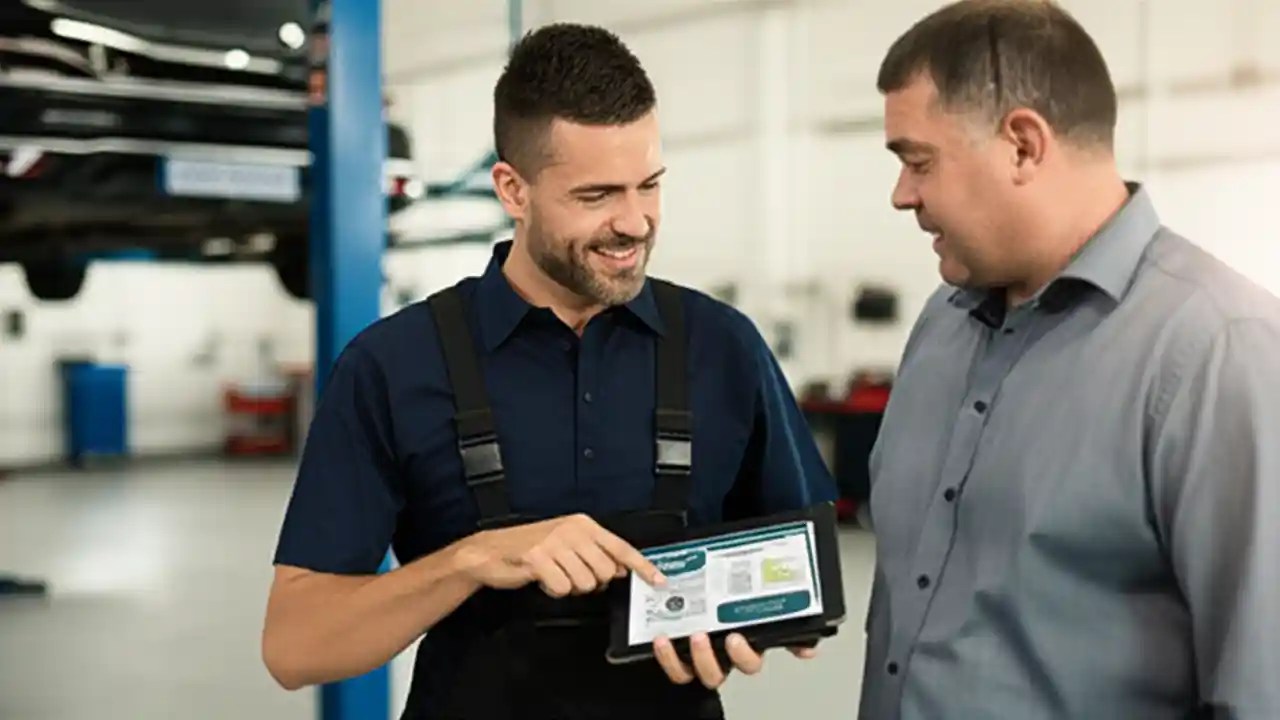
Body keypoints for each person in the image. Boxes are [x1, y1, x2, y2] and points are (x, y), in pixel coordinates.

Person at [261, 22, 837, 720]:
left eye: (648, 185)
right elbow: (296, 647)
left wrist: (747, 622)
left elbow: (800, 568)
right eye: (596, 197)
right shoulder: (392, 366)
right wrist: (469, 560)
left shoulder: (724, 349)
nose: (635, 223)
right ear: (513, 189)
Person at [857, 1, 1280, 719]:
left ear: (1023, 144)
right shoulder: (942, 326)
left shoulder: (1219, 351)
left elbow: (1260, 686)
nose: (903, 196)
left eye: (917, 161)